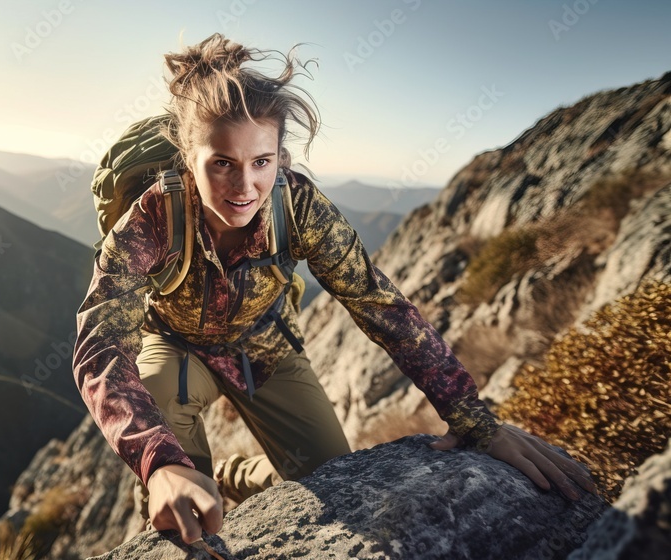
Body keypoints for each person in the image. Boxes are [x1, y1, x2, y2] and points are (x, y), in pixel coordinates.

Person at [72, 33, 596, 545]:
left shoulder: (297, 207)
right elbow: (99, 343)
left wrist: (476, 422)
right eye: (222, 164)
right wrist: (159, 463)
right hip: (177, 346)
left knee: (332, 477)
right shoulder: (153, 219)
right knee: (180, 483)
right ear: (188, 158)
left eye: (262, 162)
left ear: (281, 158)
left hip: (266, 346)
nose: (245, 186)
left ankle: (234, 475)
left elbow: (377, 303)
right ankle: (187, 478)